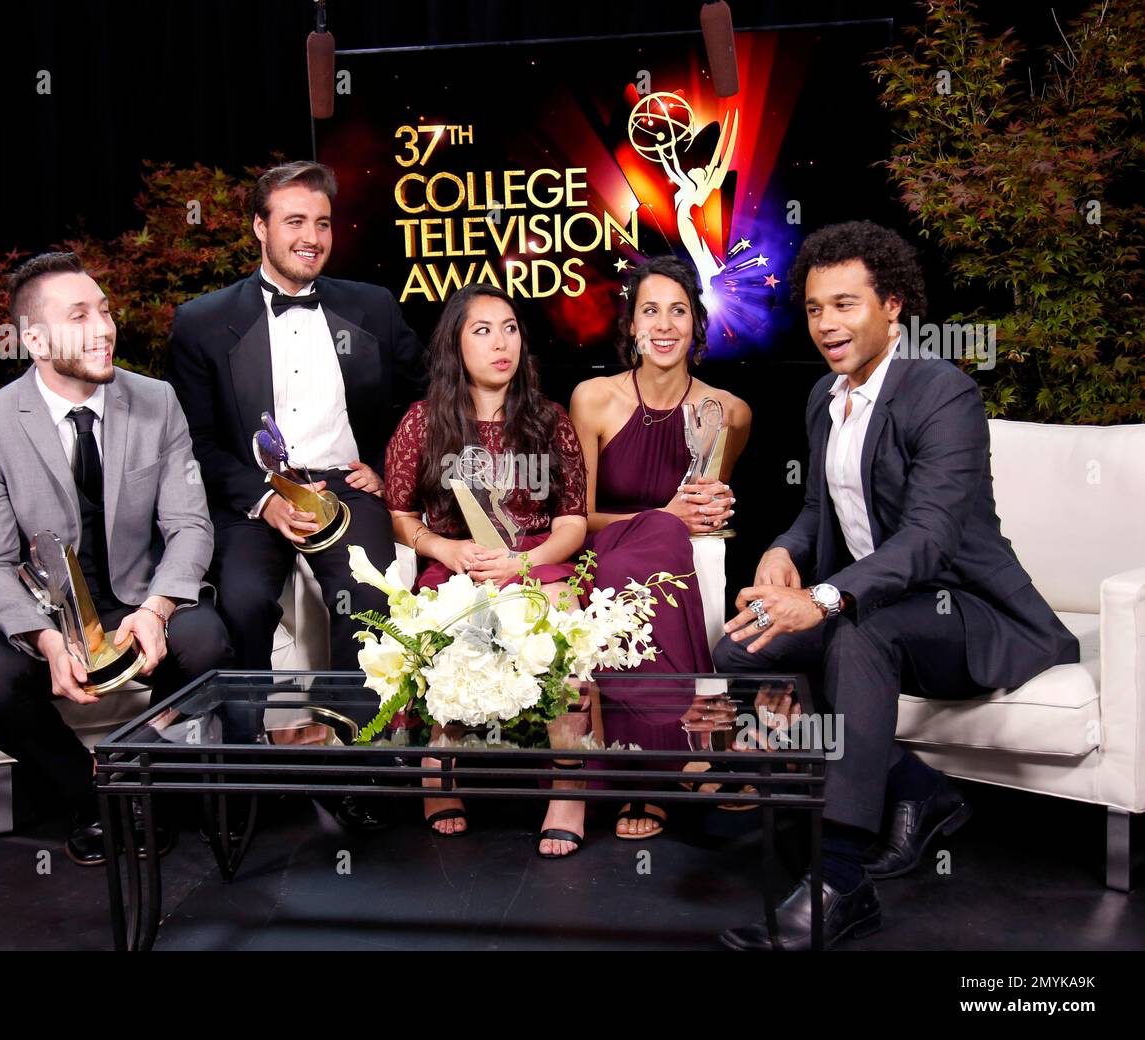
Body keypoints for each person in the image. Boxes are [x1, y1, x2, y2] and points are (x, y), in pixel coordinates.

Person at [711, 221, 1080, 950]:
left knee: (858, 632)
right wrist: (784, 554)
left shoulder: (941, 390)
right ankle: (917, 788)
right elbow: (818, 511)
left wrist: (819, 598)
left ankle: (840, 881)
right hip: (879, 606)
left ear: (893, 308)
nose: (827, 324)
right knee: (739, 651)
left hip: (967, 612)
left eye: (846, 305)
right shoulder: (824, 397)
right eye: (815, 308)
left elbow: (929, 540)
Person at [0, 252, 233, 867]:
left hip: (139, 593)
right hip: (48, 607)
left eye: (104, 310)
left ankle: (136, 765)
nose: (104, 327)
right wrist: (46, 640)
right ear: (34, 338)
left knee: (208, 644)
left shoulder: (157, 401)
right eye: (80, 316)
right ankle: (95, 792)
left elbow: (188, 525)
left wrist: (157, 610)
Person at [166, 161, 427, 832]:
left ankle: (355, 769)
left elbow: (431, 391)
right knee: (246, 601)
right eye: (294, 222)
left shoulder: (369, 305)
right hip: (256, 496)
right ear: (259, 228)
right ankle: (248, 777)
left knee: (368, 599)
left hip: (346, 483)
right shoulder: (203, 321)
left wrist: (390, 467)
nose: (311, 237)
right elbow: (195, 439)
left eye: (322, 223)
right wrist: (262, 499)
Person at [383, 284, 591, 858]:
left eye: (510, 328)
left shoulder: (550, 420)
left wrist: (526, 561)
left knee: (563, 637)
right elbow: (399, 514)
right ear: (455, 344)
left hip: (536, 565)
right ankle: (438, 771)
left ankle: (569, 788)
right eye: (483, 330)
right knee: (442, 635)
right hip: (457, 566)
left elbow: (573, 524)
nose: (501, 343)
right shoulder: (423, 422)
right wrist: (444, 551)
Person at [570, 255, 751, 841]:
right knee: (663, 532)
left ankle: (645, 771)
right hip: (603, 550)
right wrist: (663, 517)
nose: (665, 325)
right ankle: (688, 752)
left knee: (671, 537)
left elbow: (708, 506)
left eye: (678, 311)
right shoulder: (593, 399)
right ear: (630, 326)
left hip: (672, 558)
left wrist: (711, 507)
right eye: (650, 311)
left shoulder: (729, 411)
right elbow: (579, 517)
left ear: (697, 324)